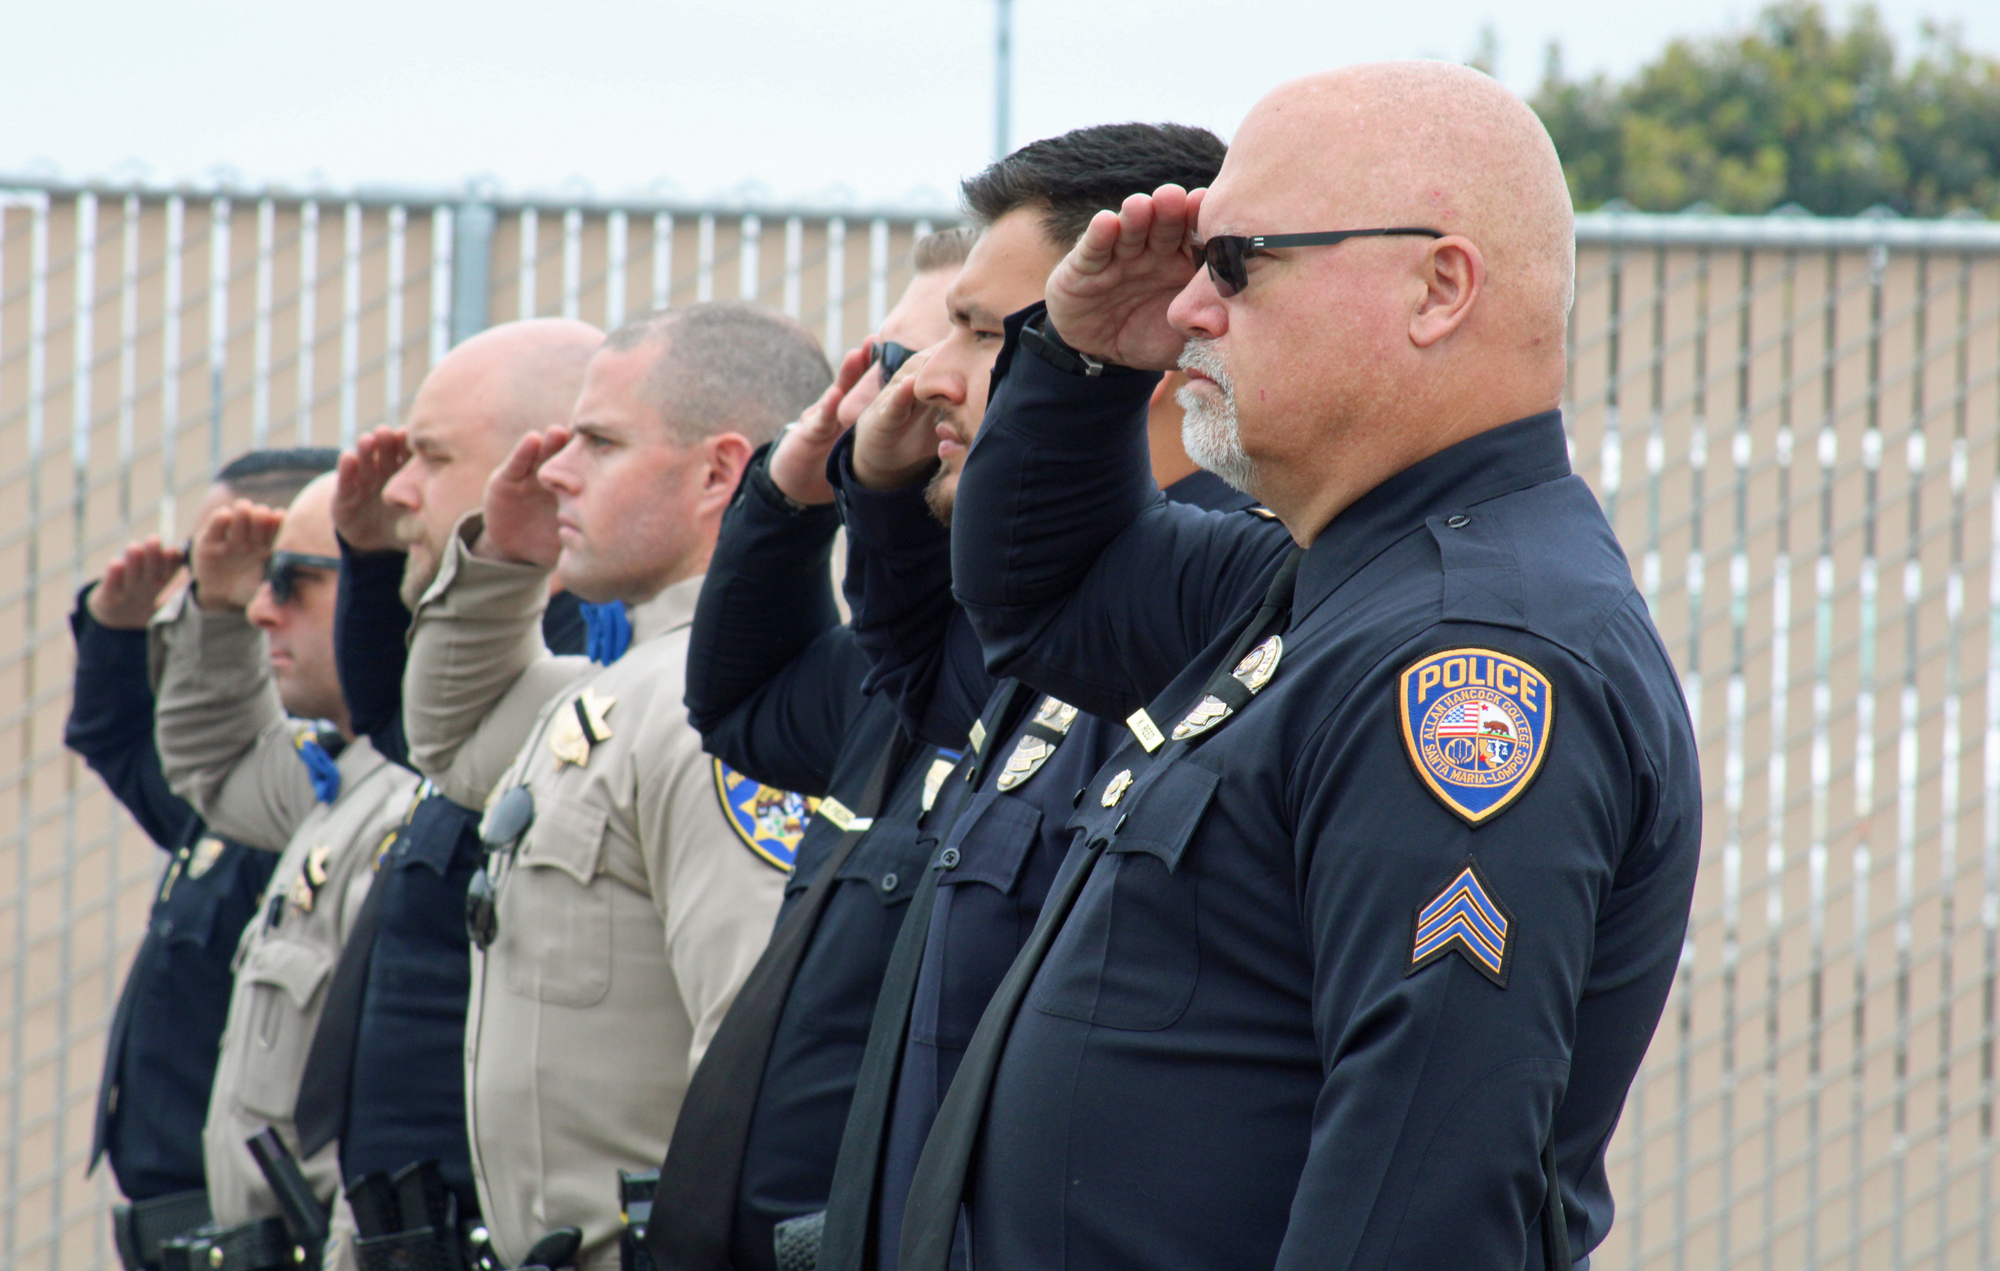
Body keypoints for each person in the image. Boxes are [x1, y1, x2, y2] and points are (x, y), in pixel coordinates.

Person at [896, 61, 1702, 1271]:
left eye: (1234, 263)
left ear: (1437, 288)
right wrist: (1076, 361)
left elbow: (1417, 1202)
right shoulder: (1337, 579)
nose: (1186, 309)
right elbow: (1045, 595)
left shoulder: (1465, 653)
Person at [812, 122, 1276, 1271]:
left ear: (1151, 331)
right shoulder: (1093, 610)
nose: (928, 377)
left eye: (985, 334)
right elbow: (914, 674)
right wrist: (857, 496)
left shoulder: (1211, 608)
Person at [400, 301, 832, 1270]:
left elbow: (755, 1045)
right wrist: (506, 560)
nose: (555, 469)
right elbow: (454, 736)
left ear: (718, 473)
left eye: (598, 442)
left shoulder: (717, 709)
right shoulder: (634, 684)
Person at [650, 228, 974, 1271]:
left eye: (956, 346)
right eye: (885, 362)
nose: (893, 396)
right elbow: (739, 705)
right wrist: (791, 494)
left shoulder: (1091, 660)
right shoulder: (923, 656)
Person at [292, 319, 601, 1269]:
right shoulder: (507, 668)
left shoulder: (592, 659)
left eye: (431, 457)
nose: (399, 489)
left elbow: (440, 731)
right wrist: (373, 559)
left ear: (541, 463)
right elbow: (416, 732)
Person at [67, 449, 334, 1268]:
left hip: (259, 1230)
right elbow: (130, 749)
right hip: (182, 1230)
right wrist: (117, 631)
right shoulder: (243, 787)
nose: (197, 588)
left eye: (220, 562)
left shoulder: (315, 789)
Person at [152, 474, 421, 1269]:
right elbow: (217, 757)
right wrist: (213, 611)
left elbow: (391, 1109)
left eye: (293, 580)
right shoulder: (348, 777)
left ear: (390, 578)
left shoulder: (412, 792)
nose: (263, 609)